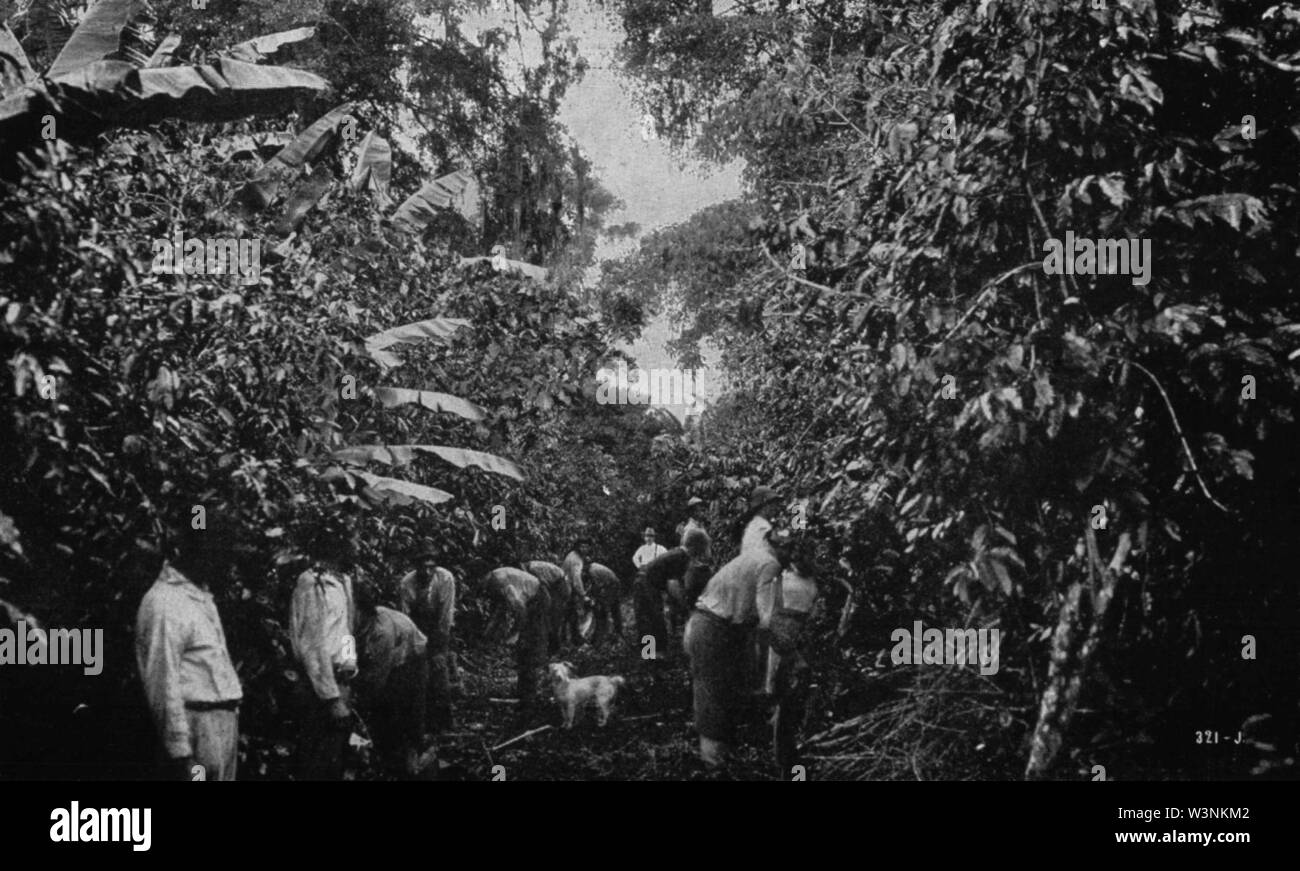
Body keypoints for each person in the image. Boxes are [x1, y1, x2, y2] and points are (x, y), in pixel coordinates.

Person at [135, 517, 244, 781]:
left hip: (220, 726)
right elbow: (162, 684)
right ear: (187, 549)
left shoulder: (200, 596)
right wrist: (180, 752)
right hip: (196, 727)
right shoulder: (164, 602)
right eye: (209, 550)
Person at [684, 537, 787, 773]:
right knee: (713, 696)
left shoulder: (758, 559)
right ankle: (713, 766)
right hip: (712, 626)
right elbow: (766, 623)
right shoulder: (768, 564)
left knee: (731, 692)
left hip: (724, 627)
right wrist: (770, 681)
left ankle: (725, 759)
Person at [289, 525, 359, 780]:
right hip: (319, 686)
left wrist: (350, 661)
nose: (358, 546)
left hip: (341, 679)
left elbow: (346, 629)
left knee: (336, 758)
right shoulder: (312, 583)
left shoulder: (344, 581)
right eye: (354, 540)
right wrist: (331, 697)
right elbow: (311, 645)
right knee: (315, 760)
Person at [354, 580, 431, 778]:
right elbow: (349, 659)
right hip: (392, 658)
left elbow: (376, 680)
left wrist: (358, 704)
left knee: (406, 711)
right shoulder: (354, 625)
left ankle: (412, 760)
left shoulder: (382, 632)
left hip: (413, 657)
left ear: (363, 610)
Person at [758, 542, 819, 778]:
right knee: (787, 706)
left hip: (797, 646)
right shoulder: (782, 581)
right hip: (787, 648)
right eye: (799, 552)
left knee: (792, 706)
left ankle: (791, 760)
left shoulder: (809, 582)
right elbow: (768, 622)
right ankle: (788, 766)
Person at [398, 543, 457, 733]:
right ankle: (422, 722)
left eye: (431, 566)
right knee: (419, 674)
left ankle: (444, 721)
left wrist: (439, 649)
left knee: (440, 670)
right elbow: (405, 619)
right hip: (416, 626)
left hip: (437, 625)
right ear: (416, 567)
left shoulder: (445, 578)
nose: (427, 571)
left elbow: (445, 617)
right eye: (423, 567)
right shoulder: (407, 583)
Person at [478, 566, 552, 705]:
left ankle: (529, 696)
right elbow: (500, 611)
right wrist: (488, 633)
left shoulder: (499, 582)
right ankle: (523, 690)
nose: (485, 592)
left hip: (538, 600)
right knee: (524, 647)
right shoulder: (496, 578)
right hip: (533, 599)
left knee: (529, 646)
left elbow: (520, 609)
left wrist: (515, 634)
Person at [635, 527, 711, 660]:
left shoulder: (679, 554)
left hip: (645, 583)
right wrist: (685, 605)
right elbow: (673, 584)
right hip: (646, 584)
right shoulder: (681, 557)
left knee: (650, 618)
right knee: (652, 619)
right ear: (695, 547)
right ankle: (652, 656)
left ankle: (650, 654)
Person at [523, 559, 580, 650]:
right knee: (550, 615)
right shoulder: (531, 566)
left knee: (554, 616)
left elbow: (543, 589)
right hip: (556, 584)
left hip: (561, 584)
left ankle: (556, 645)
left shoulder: (534, 569)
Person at [586, 561, 625, 646]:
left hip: (612, 585)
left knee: (608, 610)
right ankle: (617, 631)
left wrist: (595, 598)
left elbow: (597, 586)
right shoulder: (594, 566)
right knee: (614, 609)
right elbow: (596, 585)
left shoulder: (592, 571)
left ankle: (614, 633)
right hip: (612, 583)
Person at [740, 486, 783, 555]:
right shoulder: (763, 526)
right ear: (764, 506)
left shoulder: (753, 524)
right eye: (773, 504)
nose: (776, 508)